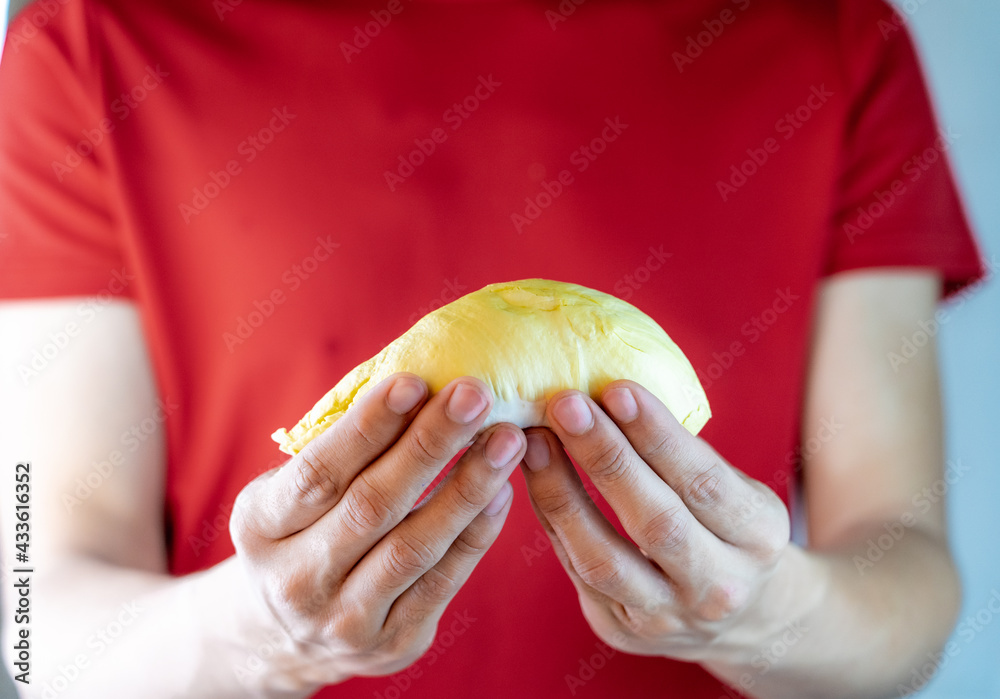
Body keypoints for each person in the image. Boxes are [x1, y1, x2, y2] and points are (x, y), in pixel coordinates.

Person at [0, 0, 984, 697]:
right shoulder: (95, 40)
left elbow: (907, 573)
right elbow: (41, 632)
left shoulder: (830, 37)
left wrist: (769, 613)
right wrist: (264, 637)